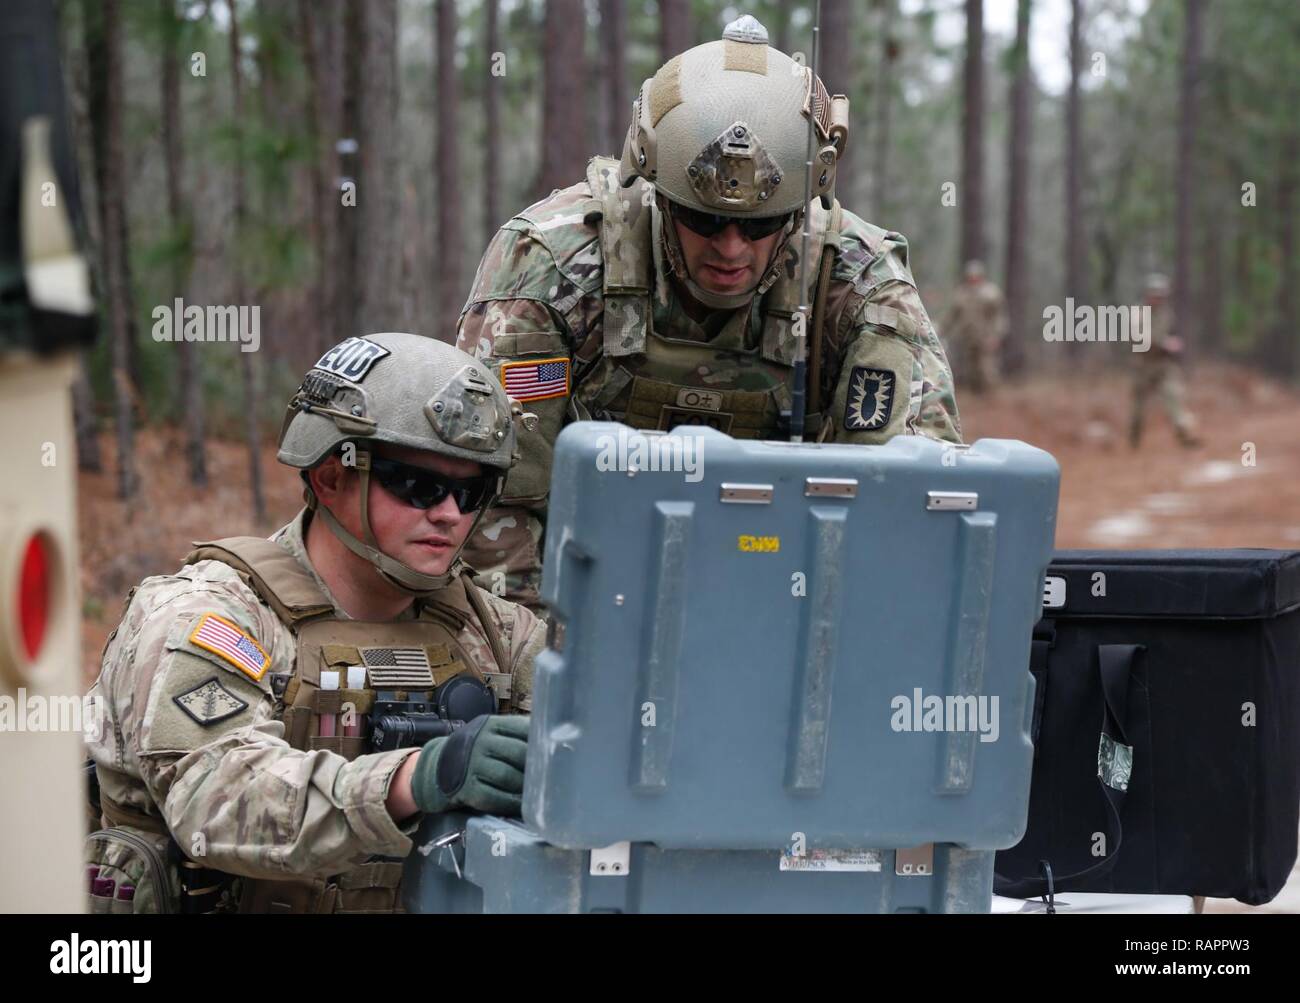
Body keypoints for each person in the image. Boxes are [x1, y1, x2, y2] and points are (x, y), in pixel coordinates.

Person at [455, 14, 963, 610]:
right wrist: (556, 668)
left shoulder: (858, 283)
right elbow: (488, 508)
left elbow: (912, 500)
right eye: (702, 220)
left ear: (800, 210)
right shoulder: (553, 267)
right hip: (578, 597)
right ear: (655, 189)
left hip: (782, 597)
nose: (730, 249)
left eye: (760, 226)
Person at [85, 333, 545, 913]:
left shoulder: (498, 634)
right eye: (418, 484)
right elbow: (214, 797)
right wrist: (417, 777)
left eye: (471, 490)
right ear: (331, 477)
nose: (450, 513)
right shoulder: (210, 614)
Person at [1128, 273, 1202, 449]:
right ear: (1147, 295)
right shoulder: (1137, 314)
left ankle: (1185, 435)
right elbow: (1139, 339)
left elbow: (1171, 334)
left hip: (1164, 365)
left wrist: (1174, 345)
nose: (1158, 298)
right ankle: (1134, 440)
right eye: (1155, 294)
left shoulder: (1166, 314)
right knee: (1138, 409)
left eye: (1161, 295)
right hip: (1143, 365)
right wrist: (1164, 344)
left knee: (1174, 397)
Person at [941, 260, 1007, 396]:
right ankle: (977, 398)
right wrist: (940, 331)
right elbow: (951, 316)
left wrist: (996, 336)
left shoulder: (991, 293)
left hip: (986, 336)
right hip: (968, 337)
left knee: (986, 368)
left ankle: (991, 396)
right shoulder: (961, 294)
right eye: (970, 275)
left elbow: (999, 317)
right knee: (971, 369)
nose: (973, 278)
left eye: (975, 275)